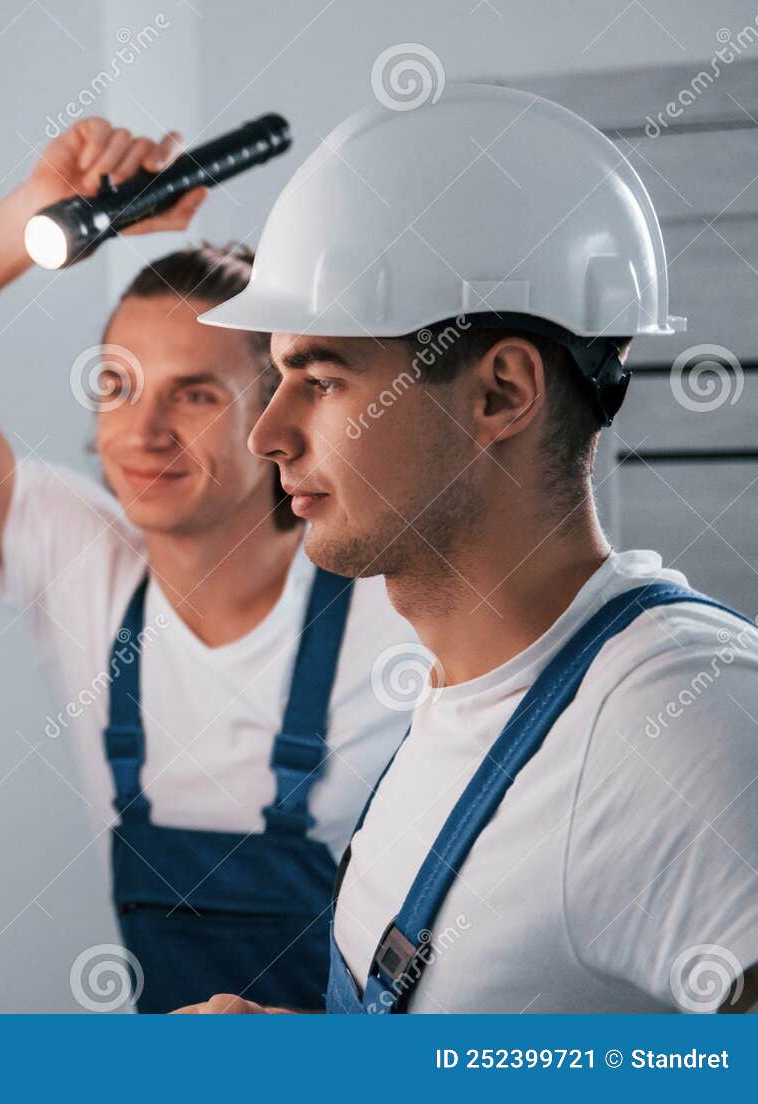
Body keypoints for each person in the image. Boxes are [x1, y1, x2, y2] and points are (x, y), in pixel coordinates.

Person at [179, 83, 758, 1014]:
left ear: (500, 395)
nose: (268, 434)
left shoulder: (680, 726)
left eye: (322, 378)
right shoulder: (468, 699)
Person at [0, 119, 416, 1012]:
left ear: (274, 421)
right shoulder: (83, 563)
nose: (142, 432)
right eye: (117, 386)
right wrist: (33, 216)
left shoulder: (398, 606)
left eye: (193, 394)